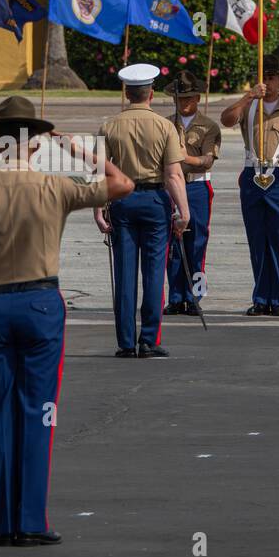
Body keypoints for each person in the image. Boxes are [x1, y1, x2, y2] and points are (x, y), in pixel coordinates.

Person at [0, 96, 132, 545]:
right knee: (38, 413)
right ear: (35, 147)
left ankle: (1, 522)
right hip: (40, 305)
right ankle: (29, 519)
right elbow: (123, 183)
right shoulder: (56, 186)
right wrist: (78, 150)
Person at [95, 64, 189, 358]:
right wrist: (184, 212)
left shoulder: (109, 126)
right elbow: (173, 174)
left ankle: (125, 342)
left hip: (121, 200)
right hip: (154, 201)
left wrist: (98, 210)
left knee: (124, 274)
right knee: (153, 271)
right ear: (150, 94)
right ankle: (148, 339)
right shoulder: (165, 127)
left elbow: (100, 173)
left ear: (127, 93)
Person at [219, 55, 279, 316]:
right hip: (252, 176)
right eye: (264, 78)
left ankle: (278, 299)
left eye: (272, 78)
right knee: (257, 240)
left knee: (278, 241)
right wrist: (248, 97)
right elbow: (226, 119)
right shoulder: (249, 108)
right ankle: (261, 297)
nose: (268, 83)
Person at [161, 69, 220, 318]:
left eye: (188, 98)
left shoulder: (208, 126)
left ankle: (195, 296)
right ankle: (176, 297)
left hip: (196, 186)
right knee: (174, 244)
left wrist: (184, 157)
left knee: (197, 244)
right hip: (172, 186)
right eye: (180, 98)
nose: (184, 103)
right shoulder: (165, 124)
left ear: (197, 98)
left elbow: (208, 160)